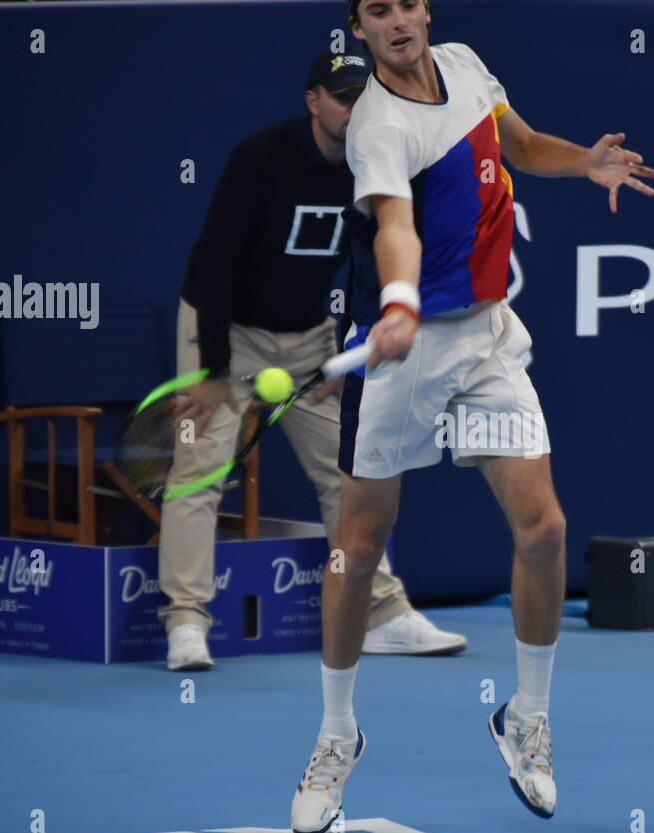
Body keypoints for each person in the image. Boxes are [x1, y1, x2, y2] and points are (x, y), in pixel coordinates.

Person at [289, 0, 654, 833]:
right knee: (358, 546)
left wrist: (586, 164)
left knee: (544, 530)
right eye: (377, 11)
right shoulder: (377, 126)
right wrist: (396, 302)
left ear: (427, 12)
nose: (397, 22)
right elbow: (395, 229)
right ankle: (337, 733)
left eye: (406, 5)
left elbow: (520, 146)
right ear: (359, 28)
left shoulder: (465, 64)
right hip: (407, 348)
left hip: (487, 337)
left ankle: (526, 717)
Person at [160, 49, 467, 672]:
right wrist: (214, 371)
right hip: (226, 332)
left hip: (310, 340)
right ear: (313, 100)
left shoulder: (381, 160)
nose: (356, 111)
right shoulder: (261, 157)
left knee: (350, 473)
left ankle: (383, 613)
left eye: (366, 98)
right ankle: (187, 622)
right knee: (199, 474)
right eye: (343, 98)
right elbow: (211, 260)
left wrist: (346, 349)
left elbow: (377, 257)